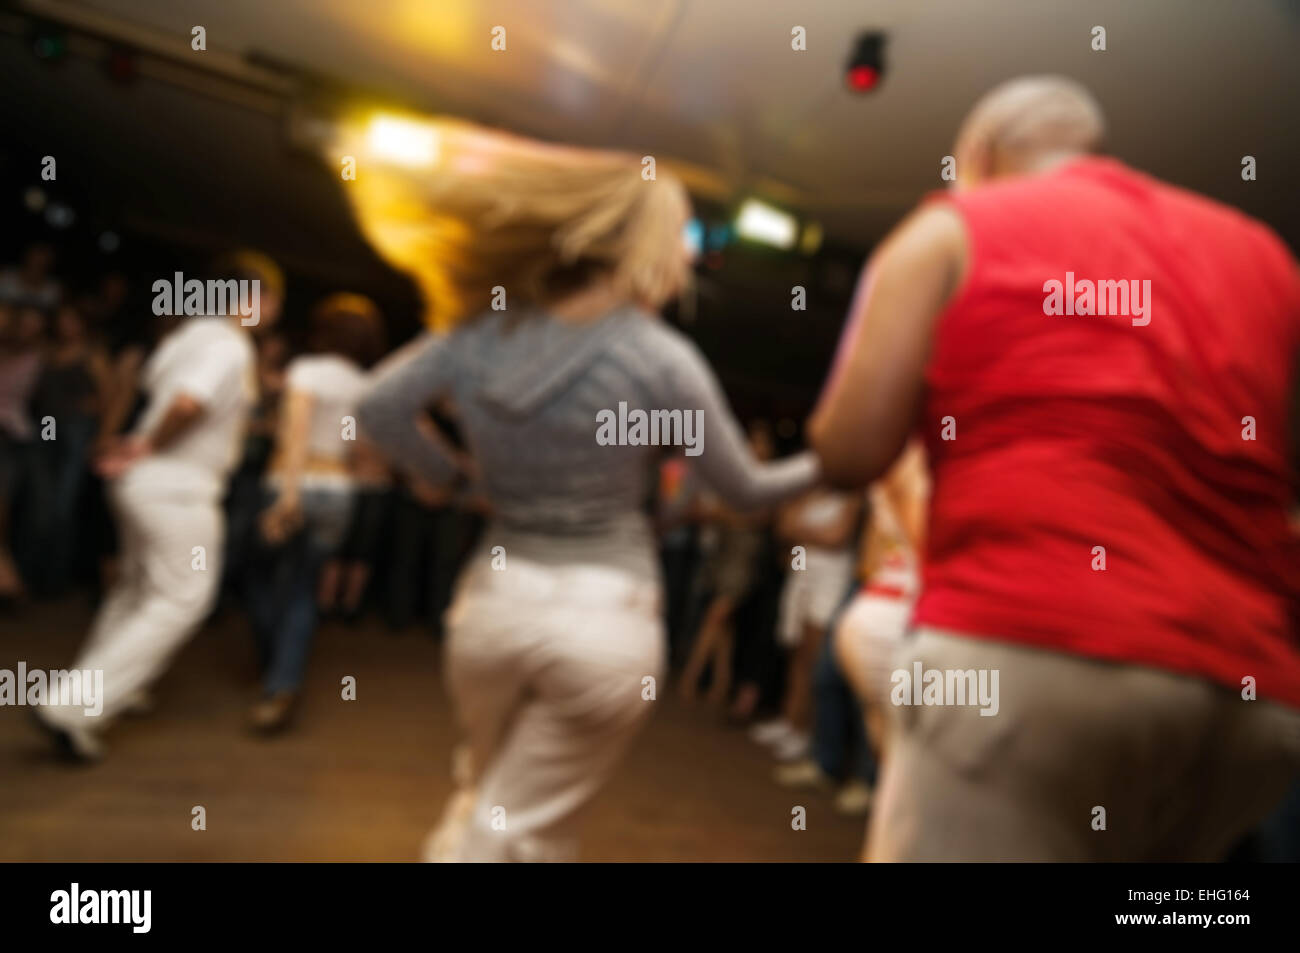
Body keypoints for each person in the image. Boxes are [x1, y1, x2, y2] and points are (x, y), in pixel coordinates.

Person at [809, 75, 1300, 861]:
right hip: (1249, 698)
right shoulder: (1266, 257)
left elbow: (850, 450)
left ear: (975, 156)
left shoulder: (954, 227)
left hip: (1030, 651)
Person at [347, 125, 821, 861]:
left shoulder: (480, 332)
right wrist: (837, 460)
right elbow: (749, 490)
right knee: (513, 832)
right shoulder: (662, 358)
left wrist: (452, 479)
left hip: (492, 610)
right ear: (641, 245)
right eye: (683, 234)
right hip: (604, 619)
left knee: (485, 791)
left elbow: (377, 407)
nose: (691, 253)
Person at [35, 255, 271, 760]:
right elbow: (188, 403)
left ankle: (113, 687)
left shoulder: (182, 337)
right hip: (178, 486)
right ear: (249, 301)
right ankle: (74, 705)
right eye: (270, 302)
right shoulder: (229, 344)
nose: (269, 313)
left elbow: (157, 393)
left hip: (144, 485)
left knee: (137, 591)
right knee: (185, 597)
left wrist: (131, 444)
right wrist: (149, 446)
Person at [244, 293, 384, 732]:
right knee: (303, 588)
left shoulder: (306, 371)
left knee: (255, 573)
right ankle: (282, 684)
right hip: (338, 493)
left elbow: (296, 432)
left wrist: (288, 496)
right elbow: (362, 452)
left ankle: (275, 662)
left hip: (293, 483)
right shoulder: (365, 385)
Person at [748, 486, 861, 762]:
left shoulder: (853, 495)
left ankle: (806, 732)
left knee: (813, 655)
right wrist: (812, 532)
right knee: (795, 650)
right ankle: (789, 721)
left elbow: (838, 536)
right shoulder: (810, 491)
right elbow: (784, 527)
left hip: (830, 579)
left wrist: (802, 531)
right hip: (801, 574)